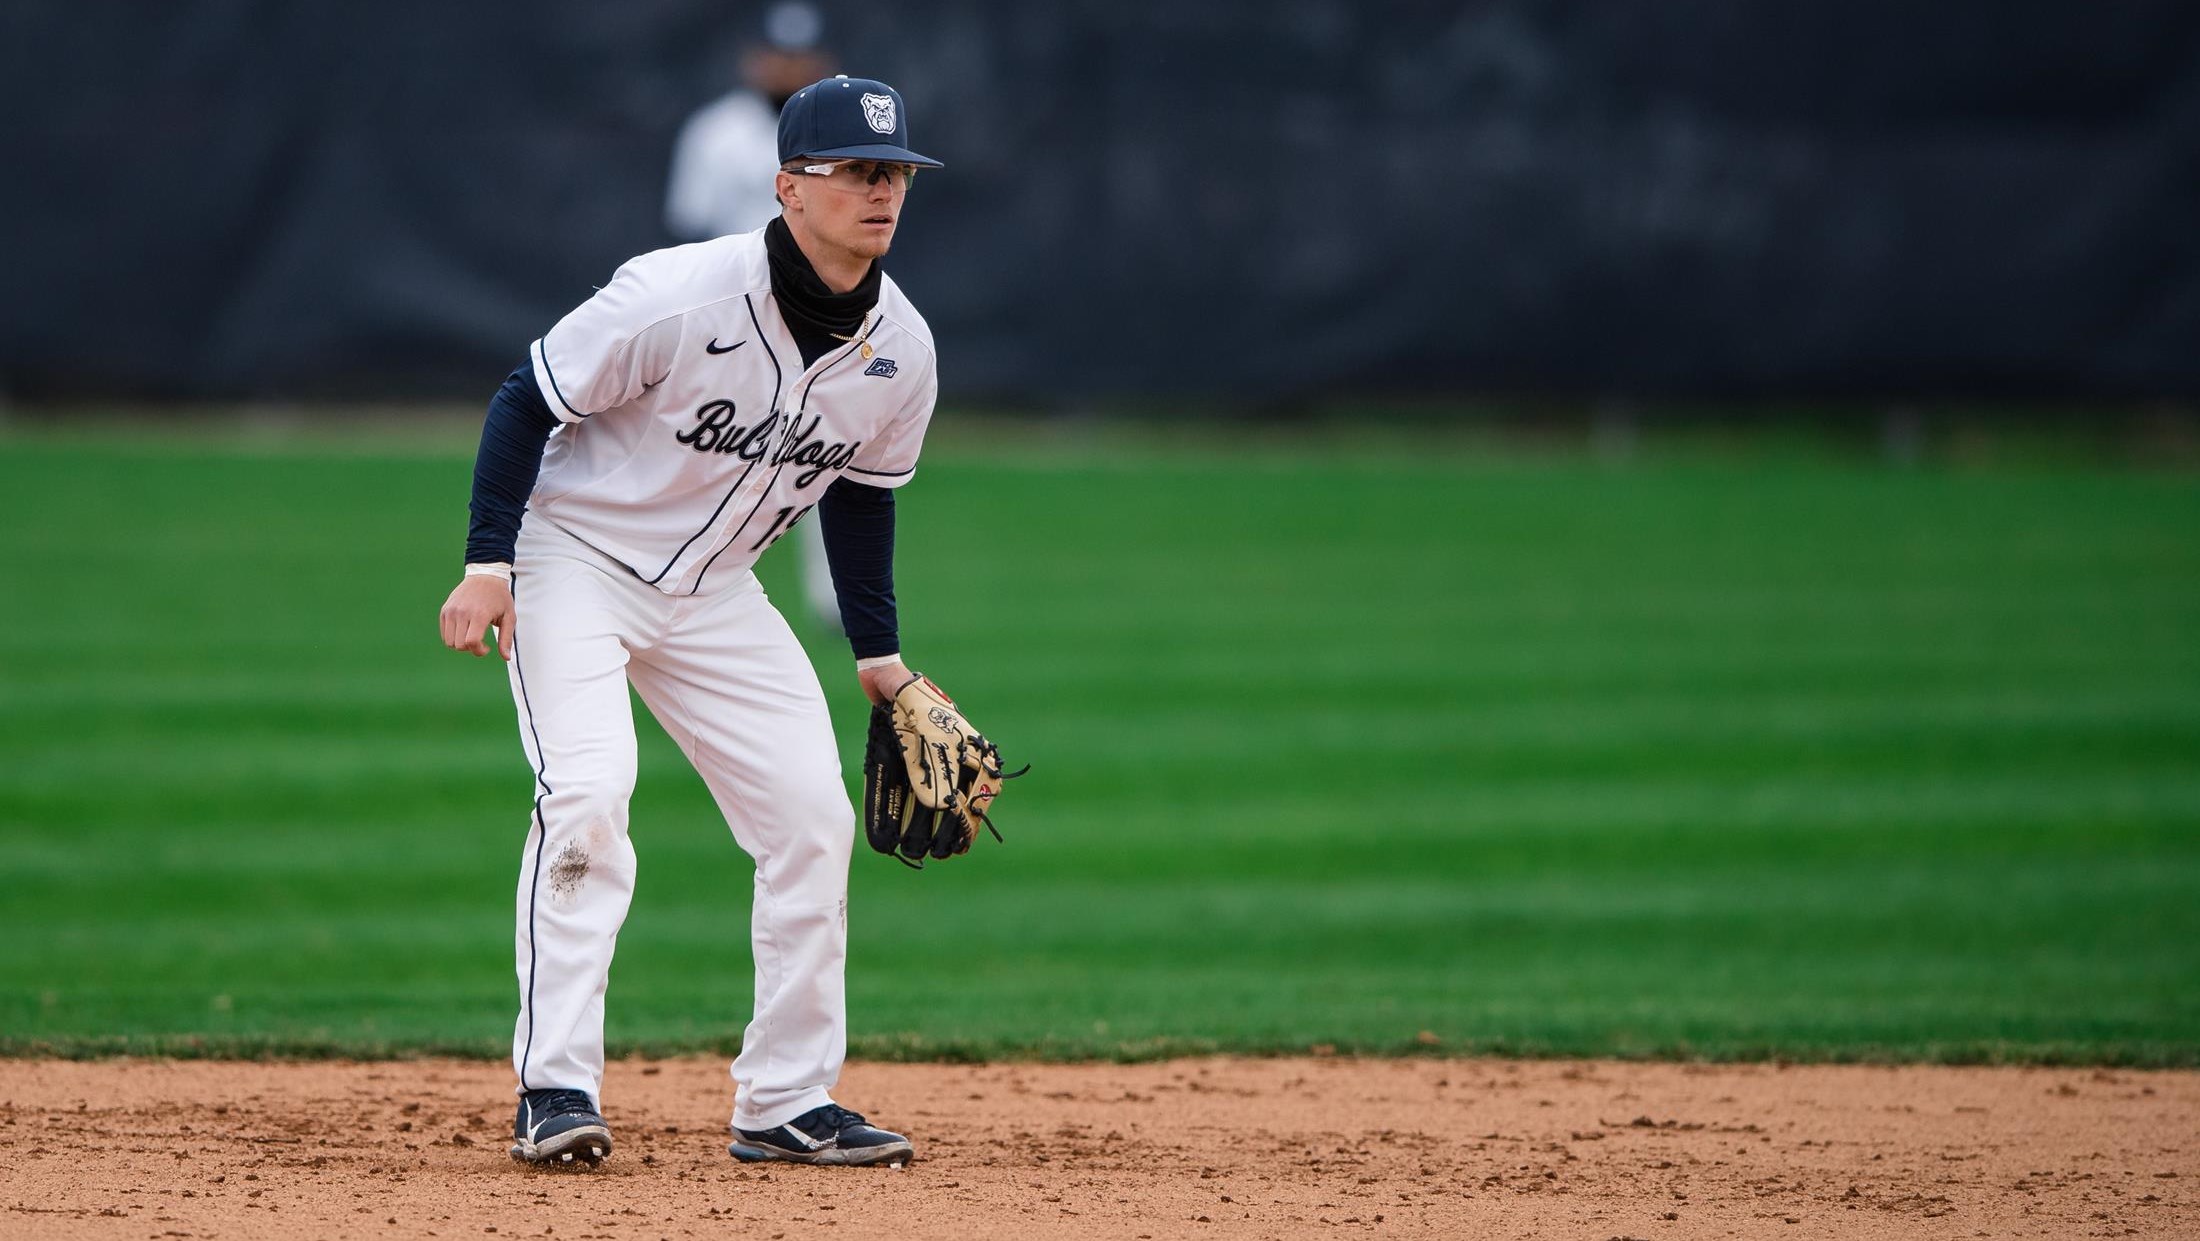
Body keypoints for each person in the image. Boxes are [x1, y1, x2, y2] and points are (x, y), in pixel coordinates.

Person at [438, 75, 945, 1169]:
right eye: (858, 171)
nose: (883, 191)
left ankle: (786, 1099)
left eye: (896, 173)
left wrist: (879, 657)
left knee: (812, 816)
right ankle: (555, 1086)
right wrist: (488, 562)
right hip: (572, 560)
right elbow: (527, 398)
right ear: (788, 186)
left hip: (716, 591)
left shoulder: (901, 348)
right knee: (588, 794)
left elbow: (862, 496)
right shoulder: (678, 296)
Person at [664, 2, 845, 635]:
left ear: (822, 62)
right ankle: (688, 584)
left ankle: (836, 599)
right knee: (710, 451)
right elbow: (688, 233)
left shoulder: (843, 141)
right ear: (754, 60)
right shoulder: (714, 133)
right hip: (729, 320)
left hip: (817, 318)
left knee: (825, 454)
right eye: (779, 55)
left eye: (801, 57)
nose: (789, 68)